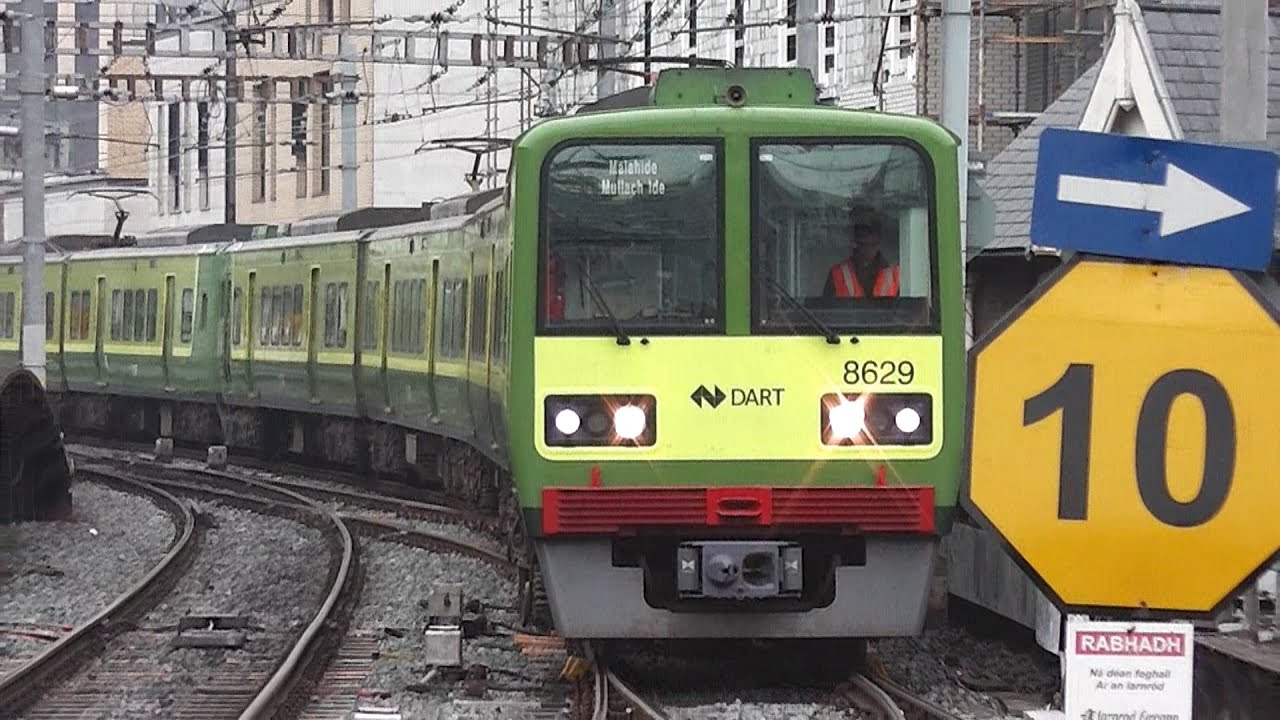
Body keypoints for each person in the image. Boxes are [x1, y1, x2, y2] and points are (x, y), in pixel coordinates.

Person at [823, 215, 900, 299]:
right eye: (864, 245)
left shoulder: (896, 275)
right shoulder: (837, 274)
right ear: (856, 243)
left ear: (879, 242)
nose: (868, 250)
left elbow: (903, 309)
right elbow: (826, 309)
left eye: (873, 244)